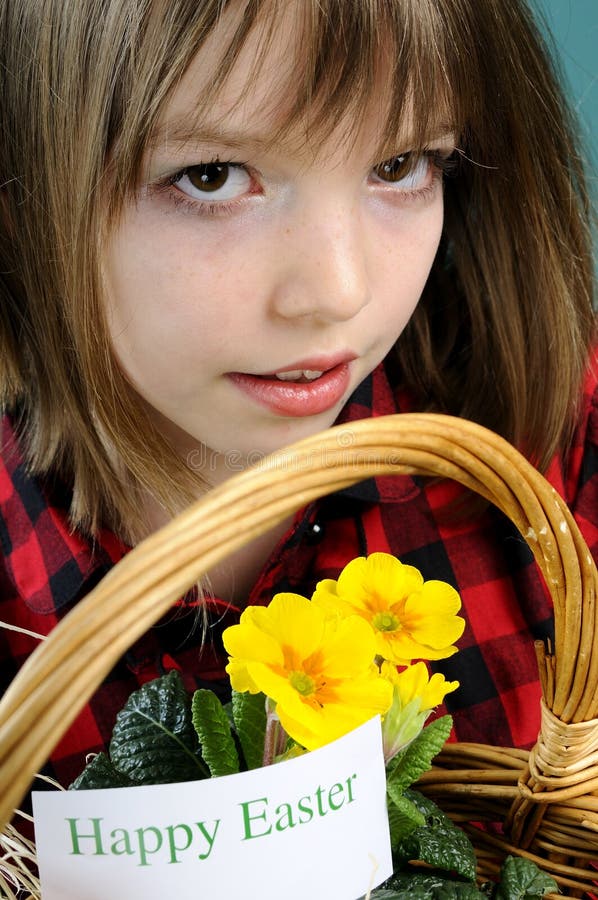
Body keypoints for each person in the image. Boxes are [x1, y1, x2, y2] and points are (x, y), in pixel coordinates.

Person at [0, 0, 595, 792]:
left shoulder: (547, 425)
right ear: (19, 201)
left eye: (401, 165)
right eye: (210, 177)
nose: (338, 294)